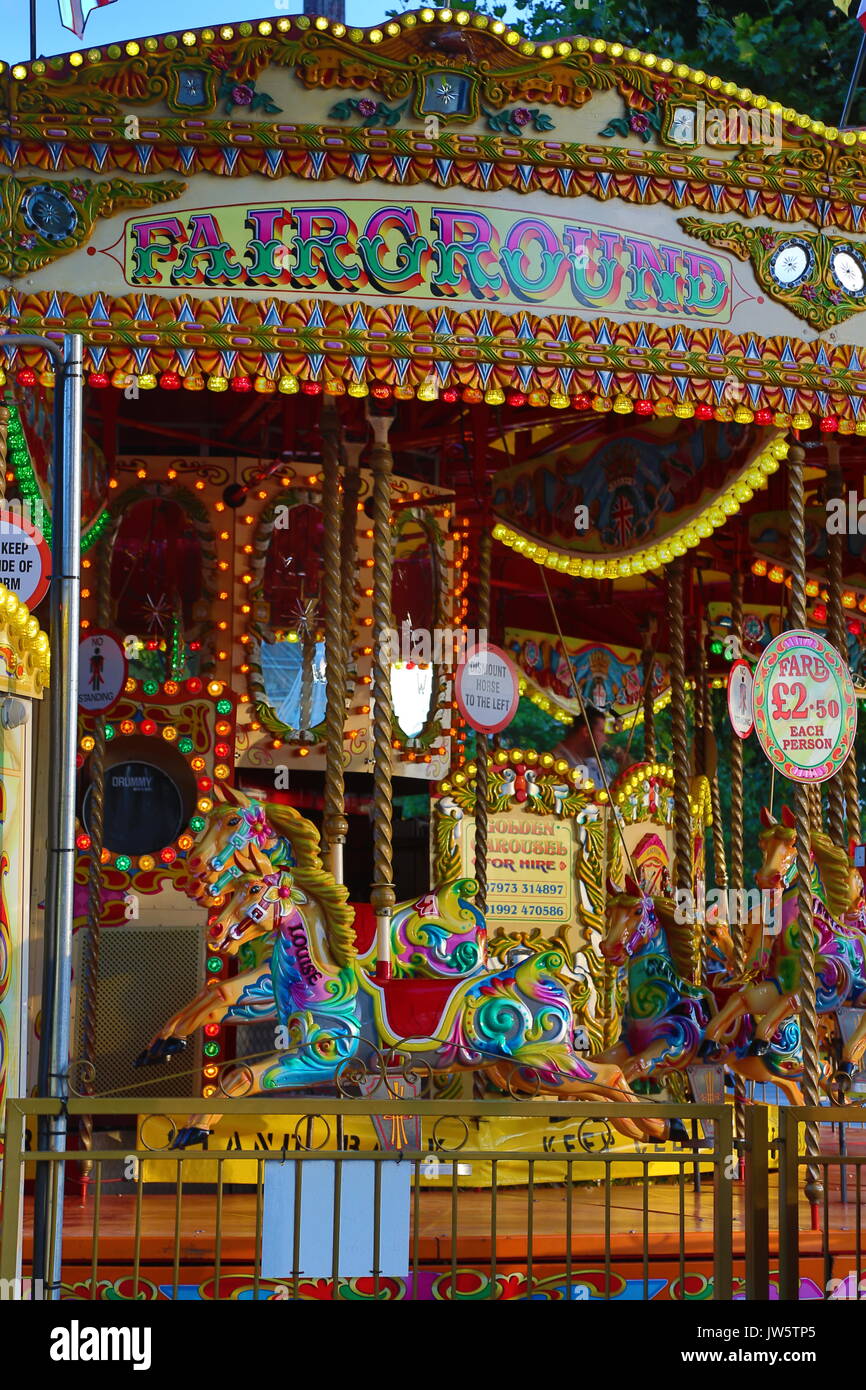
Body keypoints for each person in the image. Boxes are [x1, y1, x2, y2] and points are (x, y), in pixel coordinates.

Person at [552, 704, 613, 787]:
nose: (605, 739)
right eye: (601, 731)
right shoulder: (555, 764)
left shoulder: (591, 763)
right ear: (586, 732)